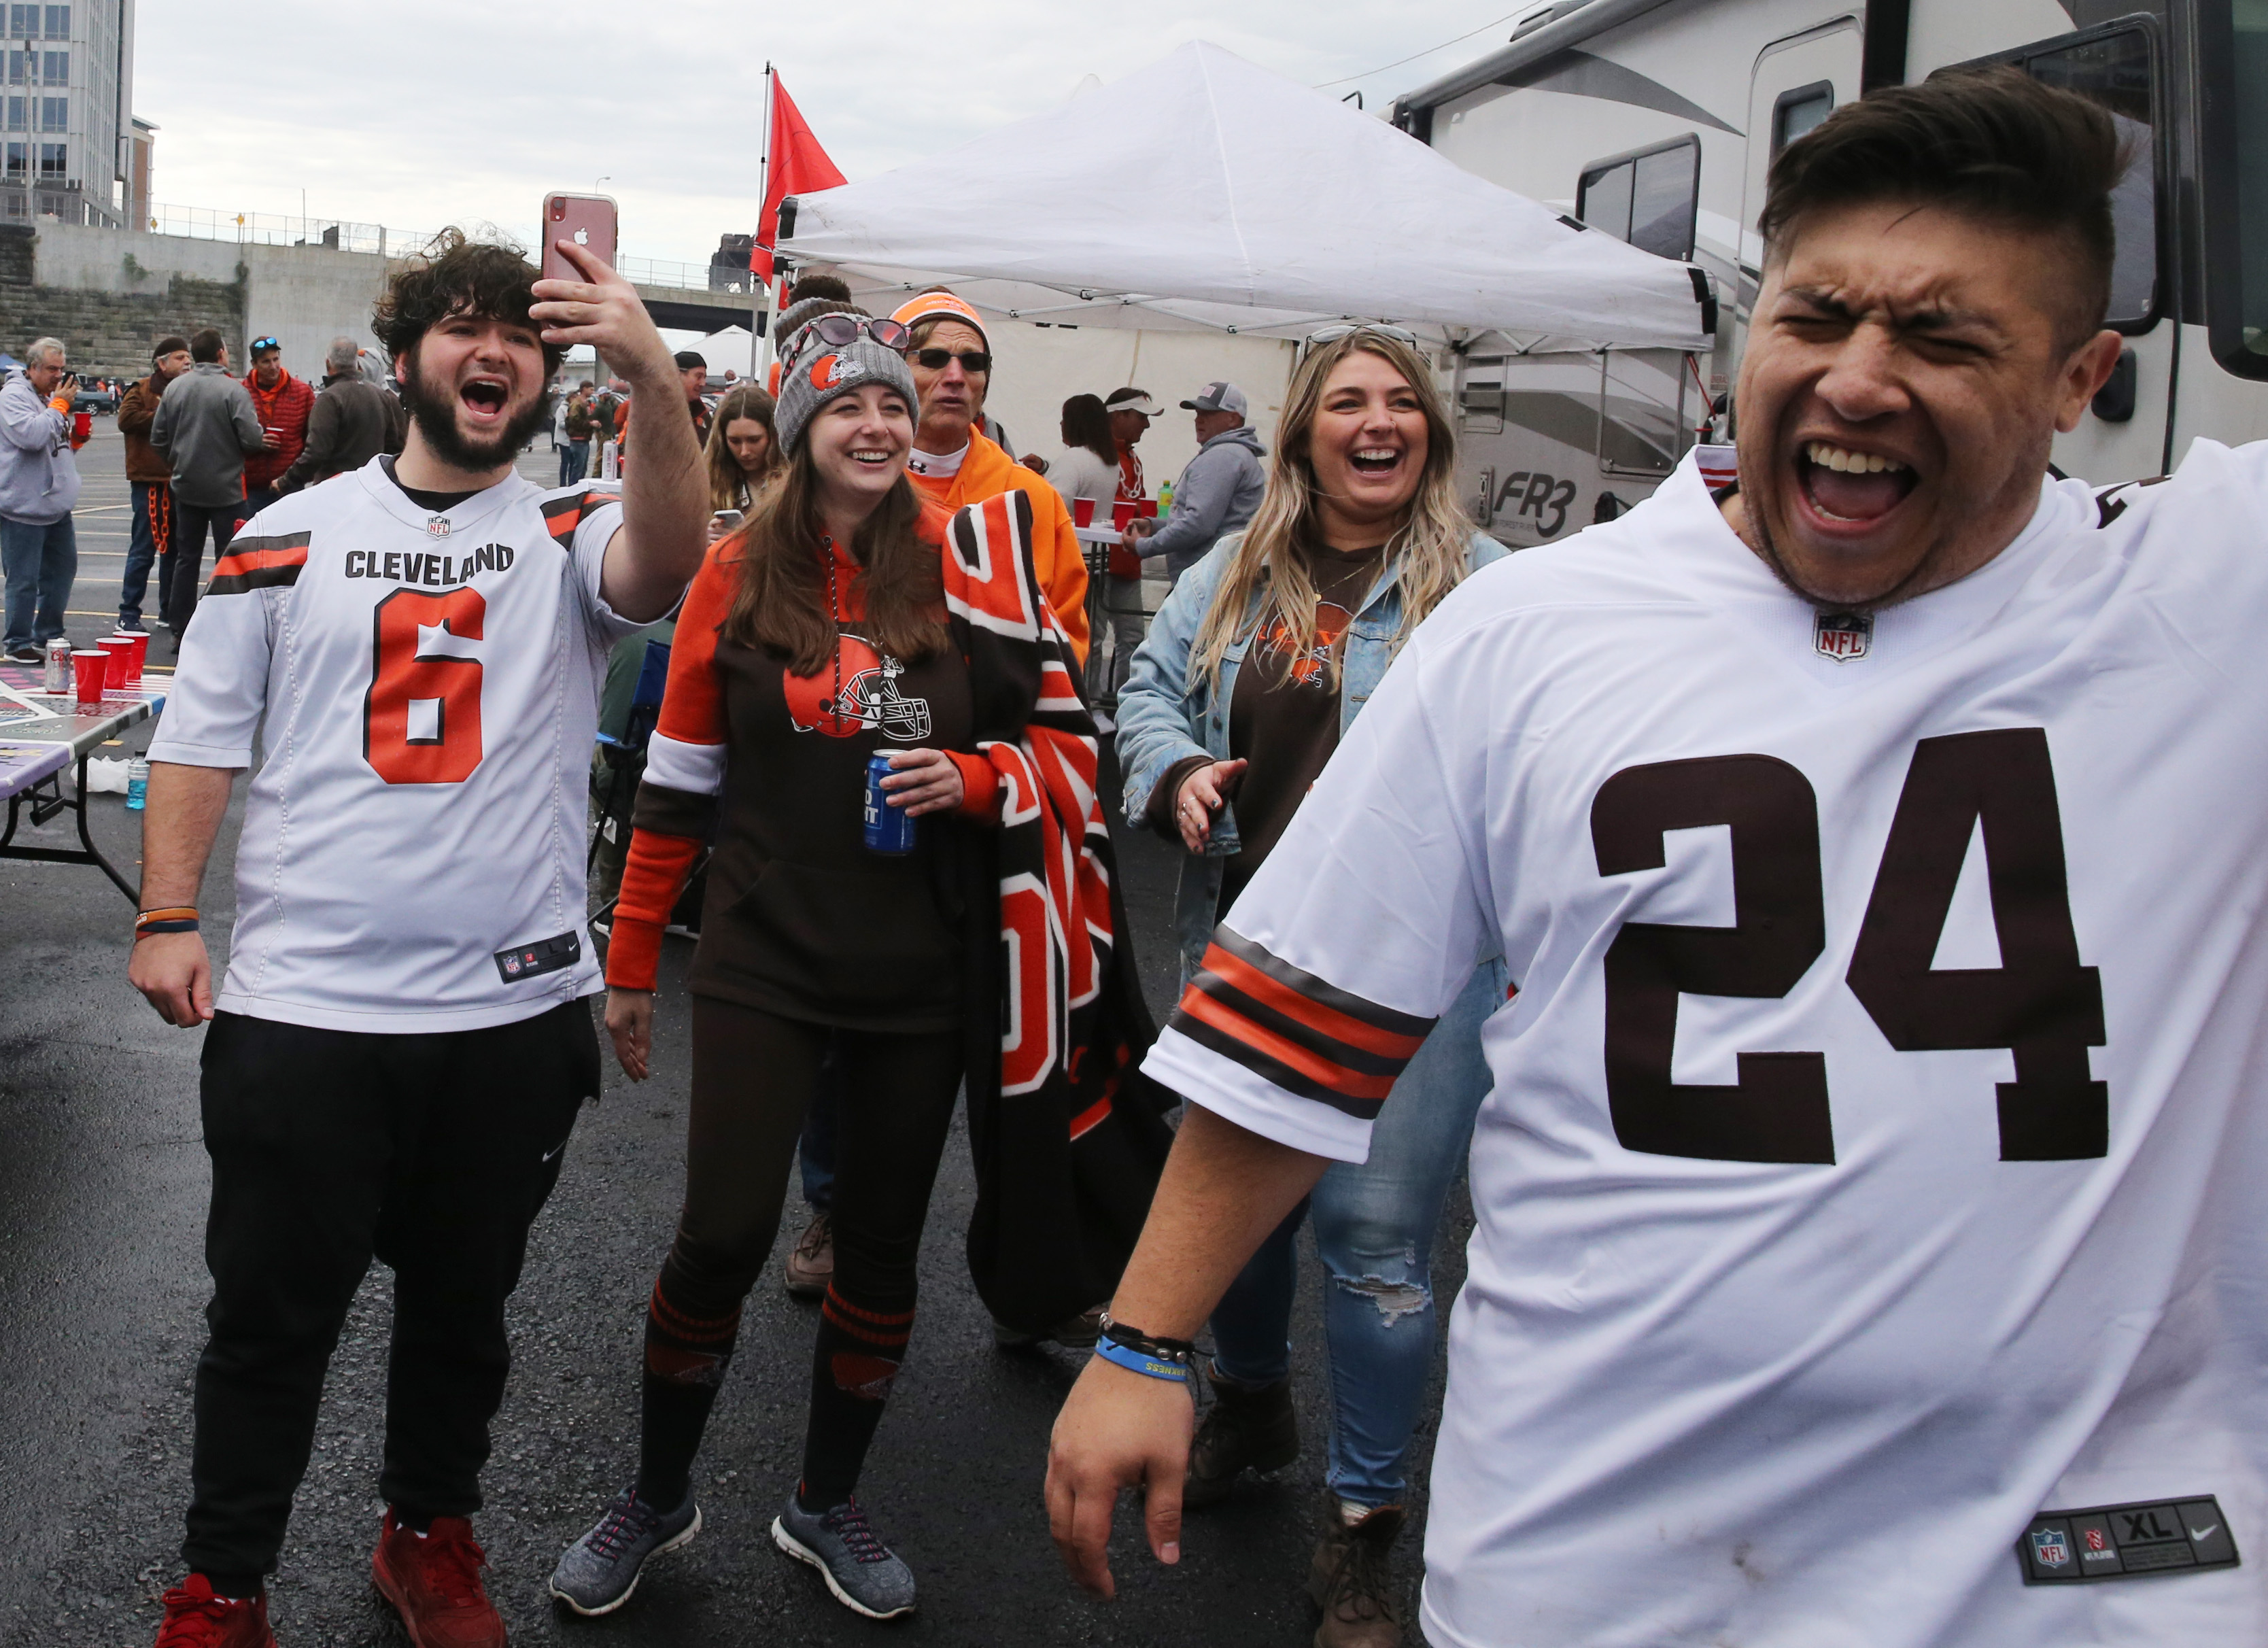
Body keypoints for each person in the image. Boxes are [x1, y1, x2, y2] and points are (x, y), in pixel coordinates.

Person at [1049, 68, 2268, 1648]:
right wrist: (1144, 1341)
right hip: (1608, 1563)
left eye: (1945, 338)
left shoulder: (2204, 603)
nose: (1857, 380)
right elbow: (1307, 1012)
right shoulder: (1529, 632)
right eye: (1814, 318)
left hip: (2071, 1577)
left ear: (2076, 377)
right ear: (1744, 336)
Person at [128, 228, 705, 1648]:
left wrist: (649, 370)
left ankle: (428, 1533)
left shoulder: (570, 533)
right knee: (268, 1322)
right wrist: (165, 912)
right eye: (459, 325)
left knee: (465, 1314)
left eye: (518, 329)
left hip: (505, 1020)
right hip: (306, 1009)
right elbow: (202, 740)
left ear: (547, 367)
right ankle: (222, 1585)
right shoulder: (285, 534)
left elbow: (671, 556)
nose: (490, 347)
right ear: (407, 359)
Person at [549, 298, 1154, 1621]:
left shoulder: (969, 571)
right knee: (720, 1235)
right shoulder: (734, 571)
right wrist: (633, 960)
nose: (880, 419)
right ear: (806, 424)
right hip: (764, 958)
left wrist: (982, 774)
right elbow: (678, 784)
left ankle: (823, 1503)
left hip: (918, 976)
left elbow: (1067, 749)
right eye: (851, 401)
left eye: (898, 401)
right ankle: (656, 1496)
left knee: (881, 1250)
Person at [1112, 332, 1501, 1645]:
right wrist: (1174, 774)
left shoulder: (1487, 588)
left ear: (1430, 436)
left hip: (1422, 981)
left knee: (1380, 1250)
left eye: (1402, 403)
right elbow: (1149, 694)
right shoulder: (1233, 572)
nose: (1378, 421)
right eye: (1349, 401)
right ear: (1301, 435)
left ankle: (1364, 1527)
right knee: (1237, 1220)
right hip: (1252, 944)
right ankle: (1255, 1403)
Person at [890, 290, 1088, 664]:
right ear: (894, 371)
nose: (955, 376)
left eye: (972, 362)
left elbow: (1068, 646)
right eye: (932, 359)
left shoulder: (1033, 499)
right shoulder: (854, 489)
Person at [150, 330, 269, 647]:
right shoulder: (234, 390)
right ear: (220, 354)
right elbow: (252, 439)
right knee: (227, 558)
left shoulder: (176, 388)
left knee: (185, 559)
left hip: (186, 486)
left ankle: (180, 628)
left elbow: (158, 438)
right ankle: (225, 627)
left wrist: (177, 462)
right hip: (227, 489)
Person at [1124, 381, 1267, 587]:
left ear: (1233, 418)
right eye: (1198, 414)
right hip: (1216, 580)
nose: (1199, 420)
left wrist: (1144, 546)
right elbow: (1207, 521)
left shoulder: (1223, 456)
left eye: (1208, 414)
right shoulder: (1233, 454)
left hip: (1206, 584)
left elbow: (1198, 525)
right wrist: (1154, 525)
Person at [1044, 394, 1131, 706]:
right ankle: (1091, 701)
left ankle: (1068, 700)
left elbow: (1052, 501)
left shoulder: (1074, 459)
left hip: (1070, 561)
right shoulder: (1109, 461)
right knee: (1092, 637)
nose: (1061, 425)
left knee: (1064, 637)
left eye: (1065, 419)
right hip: (1099, 561)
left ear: (1075, 423)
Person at [0, 337, 83, 662]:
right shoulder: (13, 397)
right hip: (24, 507)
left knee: (61, 573)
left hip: (56, 506)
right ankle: (18, 642)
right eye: (51, 369)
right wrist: (59, 407)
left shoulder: (48, 397)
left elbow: (51, 447)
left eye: (61, 369)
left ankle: (49, 634)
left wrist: (75, 440)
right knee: (24, 579)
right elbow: (31, 437)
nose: (58, 376)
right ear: (32, 367)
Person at [116, 335, 192, 634]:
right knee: (143, 549)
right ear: (161, 363)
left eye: (188, 357)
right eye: (179, 357)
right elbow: (126, 419)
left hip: (178, 480)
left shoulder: (187, 390)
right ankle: (128, 613)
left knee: (175, 550)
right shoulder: (142, 390)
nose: (186, 362)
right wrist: (165, 412)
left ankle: (168, 610)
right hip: (149, 482)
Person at [276, 337, 405, 496]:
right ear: (357, 364)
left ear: (328, 363)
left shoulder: (329, 399)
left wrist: (285, 482)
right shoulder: (381, 396)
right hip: (370, 491)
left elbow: (316, 453)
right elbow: (395, 447)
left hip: (334, 493)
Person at [240, 335, 313, 515]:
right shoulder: (240, 393)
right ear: (254, 364)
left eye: (276, 359)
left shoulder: (302, 393)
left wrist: (299, 474)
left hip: (290, 486)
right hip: (253, 489)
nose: (273, 366)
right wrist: (256, 442)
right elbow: (230, 437)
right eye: (266, 362)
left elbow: (312, 438)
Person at [705, 381, 780, 530]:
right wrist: (704, 540)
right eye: (735, 441)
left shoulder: (797, 483)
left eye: (754, 440)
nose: (744, 452)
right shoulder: (708, 484)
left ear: (774, 436)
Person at [562, 379, 599, 485]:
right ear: (584, 389)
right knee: (578, 467)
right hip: (578, 439)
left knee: (582, 467)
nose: (593, 392)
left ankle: (576, 488)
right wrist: (590, 424)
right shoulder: (577, 403)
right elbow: (574, 421)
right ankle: (574, 489)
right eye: (591, 389)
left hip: (584, 438)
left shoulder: (585, 403)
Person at [677, 351, 713, 444]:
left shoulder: (703, 415)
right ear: (677, 375)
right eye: (699, 377)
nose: (703, 383)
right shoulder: (653, 413)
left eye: (704, 377)